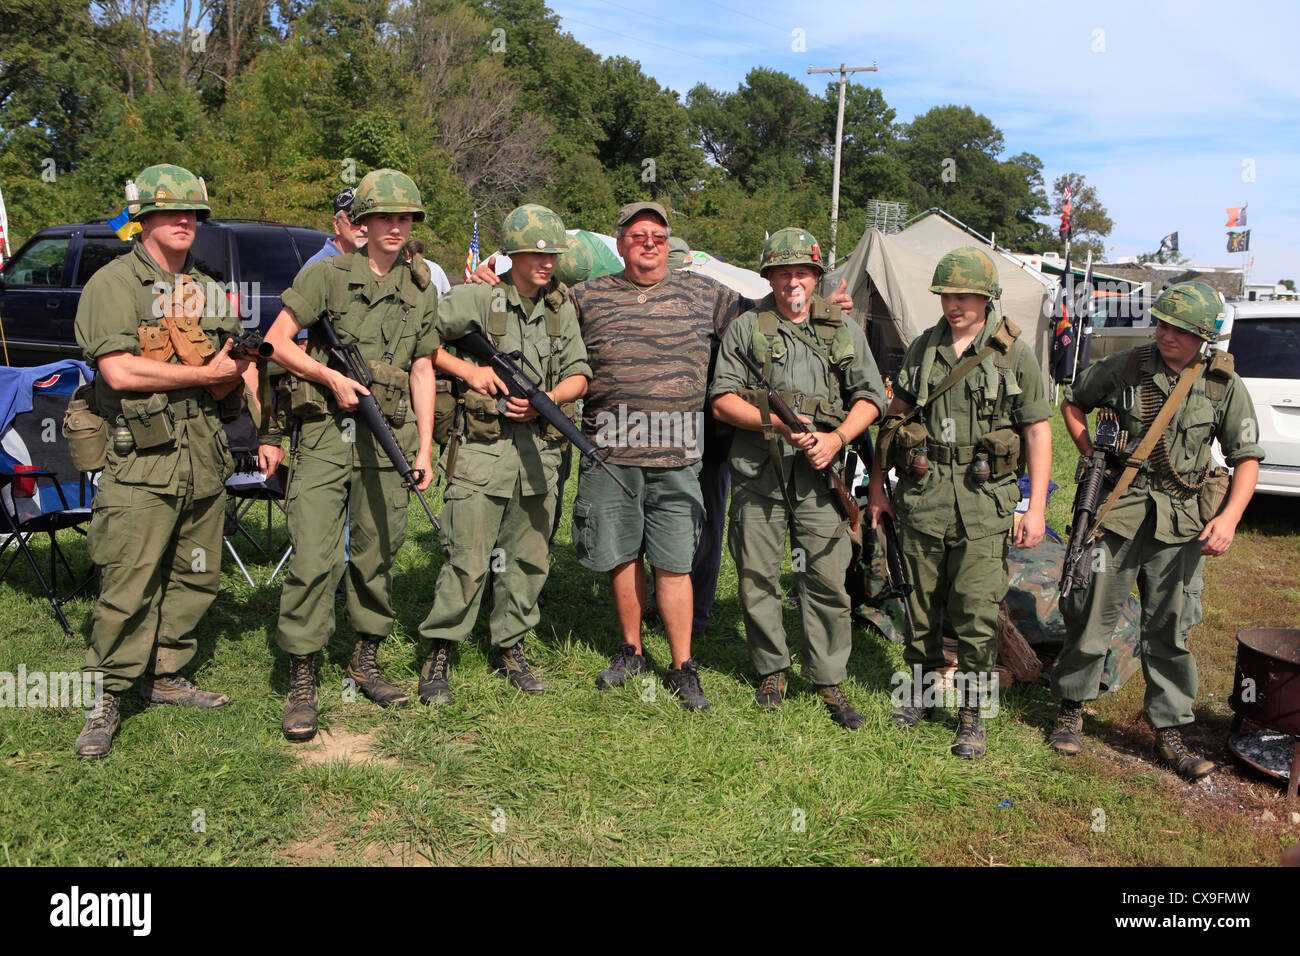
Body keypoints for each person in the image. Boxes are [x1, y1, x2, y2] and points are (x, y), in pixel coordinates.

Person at [72, 163, 283, 758]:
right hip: (142, 458)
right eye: (172, 212)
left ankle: (165, 673)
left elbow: (238, 373)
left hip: (204, 456)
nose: (186, 221)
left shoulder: (210, 290)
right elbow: (118, 369)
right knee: (128, 577)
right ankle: (108, 695)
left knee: (196, 573)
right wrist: (205, 373)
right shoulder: (113, 285)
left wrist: (253, 411)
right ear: (143, 220)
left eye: (193, 212)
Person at [1048, 281, 1262, 780]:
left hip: (1181, 525)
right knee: (1090, 615)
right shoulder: (1127, 366)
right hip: (1116, 513)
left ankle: (1169, 729)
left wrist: (1228, 518)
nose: (1166, 334)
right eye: (1162, 323)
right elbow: (1073, 400)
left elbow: (1246, 458)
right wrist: (1092, 454)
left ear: (1204, 337)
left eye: (1180, 329)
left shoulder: (1220, 384)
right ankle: (1072, 707)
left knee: (1171, 627)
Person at [264, 168, 440, 742]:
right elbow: (275, 341)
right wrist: (329, 378)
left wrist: (428, 445)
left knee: (377, 553)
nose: (395, 227)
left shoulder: (422, 287)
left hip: (389, 435)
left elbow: (422, 367)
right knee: (315, 557)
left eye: (404, 218)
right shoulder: (326, 275)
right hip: (323, 436)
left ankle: (364, 660)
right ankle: (302, 676)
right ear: (360, 223)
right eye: (384, 217)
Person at [867, 246, 1051, 759]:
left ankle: (972, 714)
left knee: (975, 610)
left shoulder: (1014, 352)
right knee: (921, 605)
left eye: (965, 296)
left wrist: (1034, 507)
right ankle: (923, 693)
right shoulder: (924, 347)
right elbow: (894, 421)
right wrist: (878, 488)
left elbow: (1037, 430)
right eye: (947, 295)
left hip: (984, 503)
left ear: (987, 297)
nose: (954, 305)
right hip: (923, 497)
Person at [570, 201, 751, 710]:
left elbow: (761, 325)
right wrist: (488, 290)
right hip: (611, 453)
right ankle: (631, 649)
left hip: (678, 456)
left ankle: (682, 664)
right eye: (637, 234)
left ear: (669, 243)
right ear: (620, 242)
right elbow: (537, 311)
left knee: (675, 560)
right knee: (621, 554)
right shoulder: (587, 295)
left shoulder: (707, 294)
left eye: (657, 235)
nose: (648, 242)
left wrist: (823, 306)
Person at [710, 228, 885, 727]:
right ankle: (771, 668)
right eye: (784, 273)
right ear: (769, 276)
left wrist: (837, 439)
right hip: (760, 473)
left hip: (821, 473)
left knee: (826, 577)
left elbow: (871, 397)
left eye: (803, 273)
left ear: (816, 277)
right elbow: (722, 399)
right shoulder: (747, 328)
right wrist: (777, 426)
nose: (794, 282)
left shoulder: (840, 327)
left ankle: (828, 678)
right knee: (757, 574)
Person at [416, 205, 590, 703]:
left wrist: (549, 401)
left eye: (551, 254)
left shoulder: (562, 308)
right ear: (512, 253)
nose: (545, 262)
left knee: (529, 559)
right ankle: (441, 649)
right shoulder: (478, 297)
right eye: (535, 253)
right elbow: (421, 340)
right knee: (467, 557)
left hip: (540, 455)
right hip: (481, 451)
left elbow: (580, 372)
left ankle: (509, 645)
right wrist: (469, 372)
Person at [302, 187, 368, 267]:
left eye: (369, 220)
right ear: (337, 224)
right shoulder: (318, 268)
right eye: (356, 220)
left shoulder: (375, 262)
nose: (365, 228)